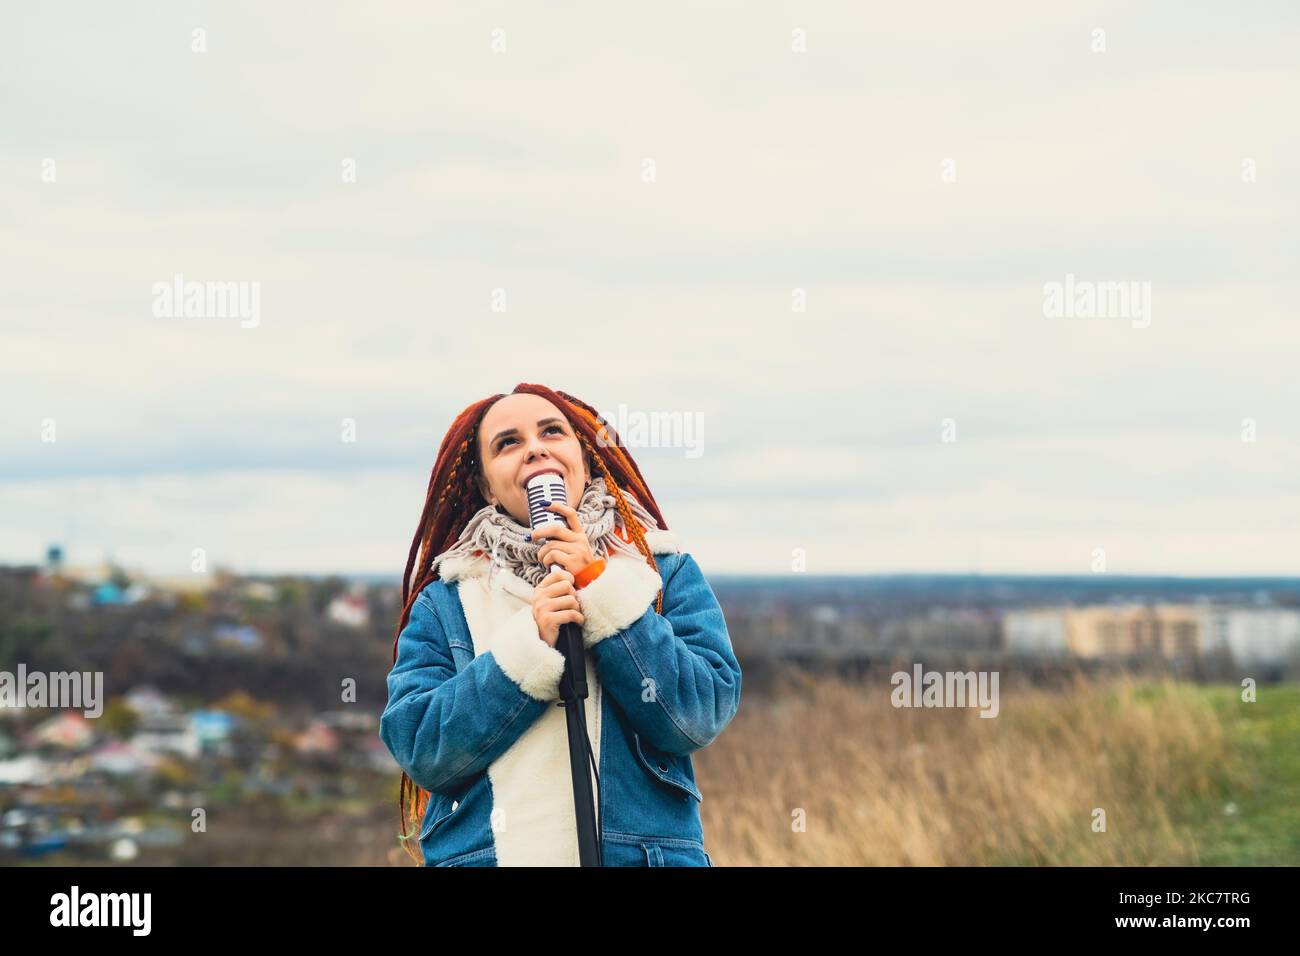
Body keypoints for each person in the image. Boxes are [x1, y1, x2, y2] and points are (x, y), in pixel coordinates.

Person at [379, 383, 742, 866]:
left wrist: (599, 589)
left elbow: (698, 713)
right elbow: (421, 746)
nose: (535, 449)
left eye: (553, 431)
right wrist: (527, 650)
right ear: (487, 485)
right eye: (507, 443)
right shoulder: (445, 600)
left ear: (586, 458)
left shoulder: (659, 570)